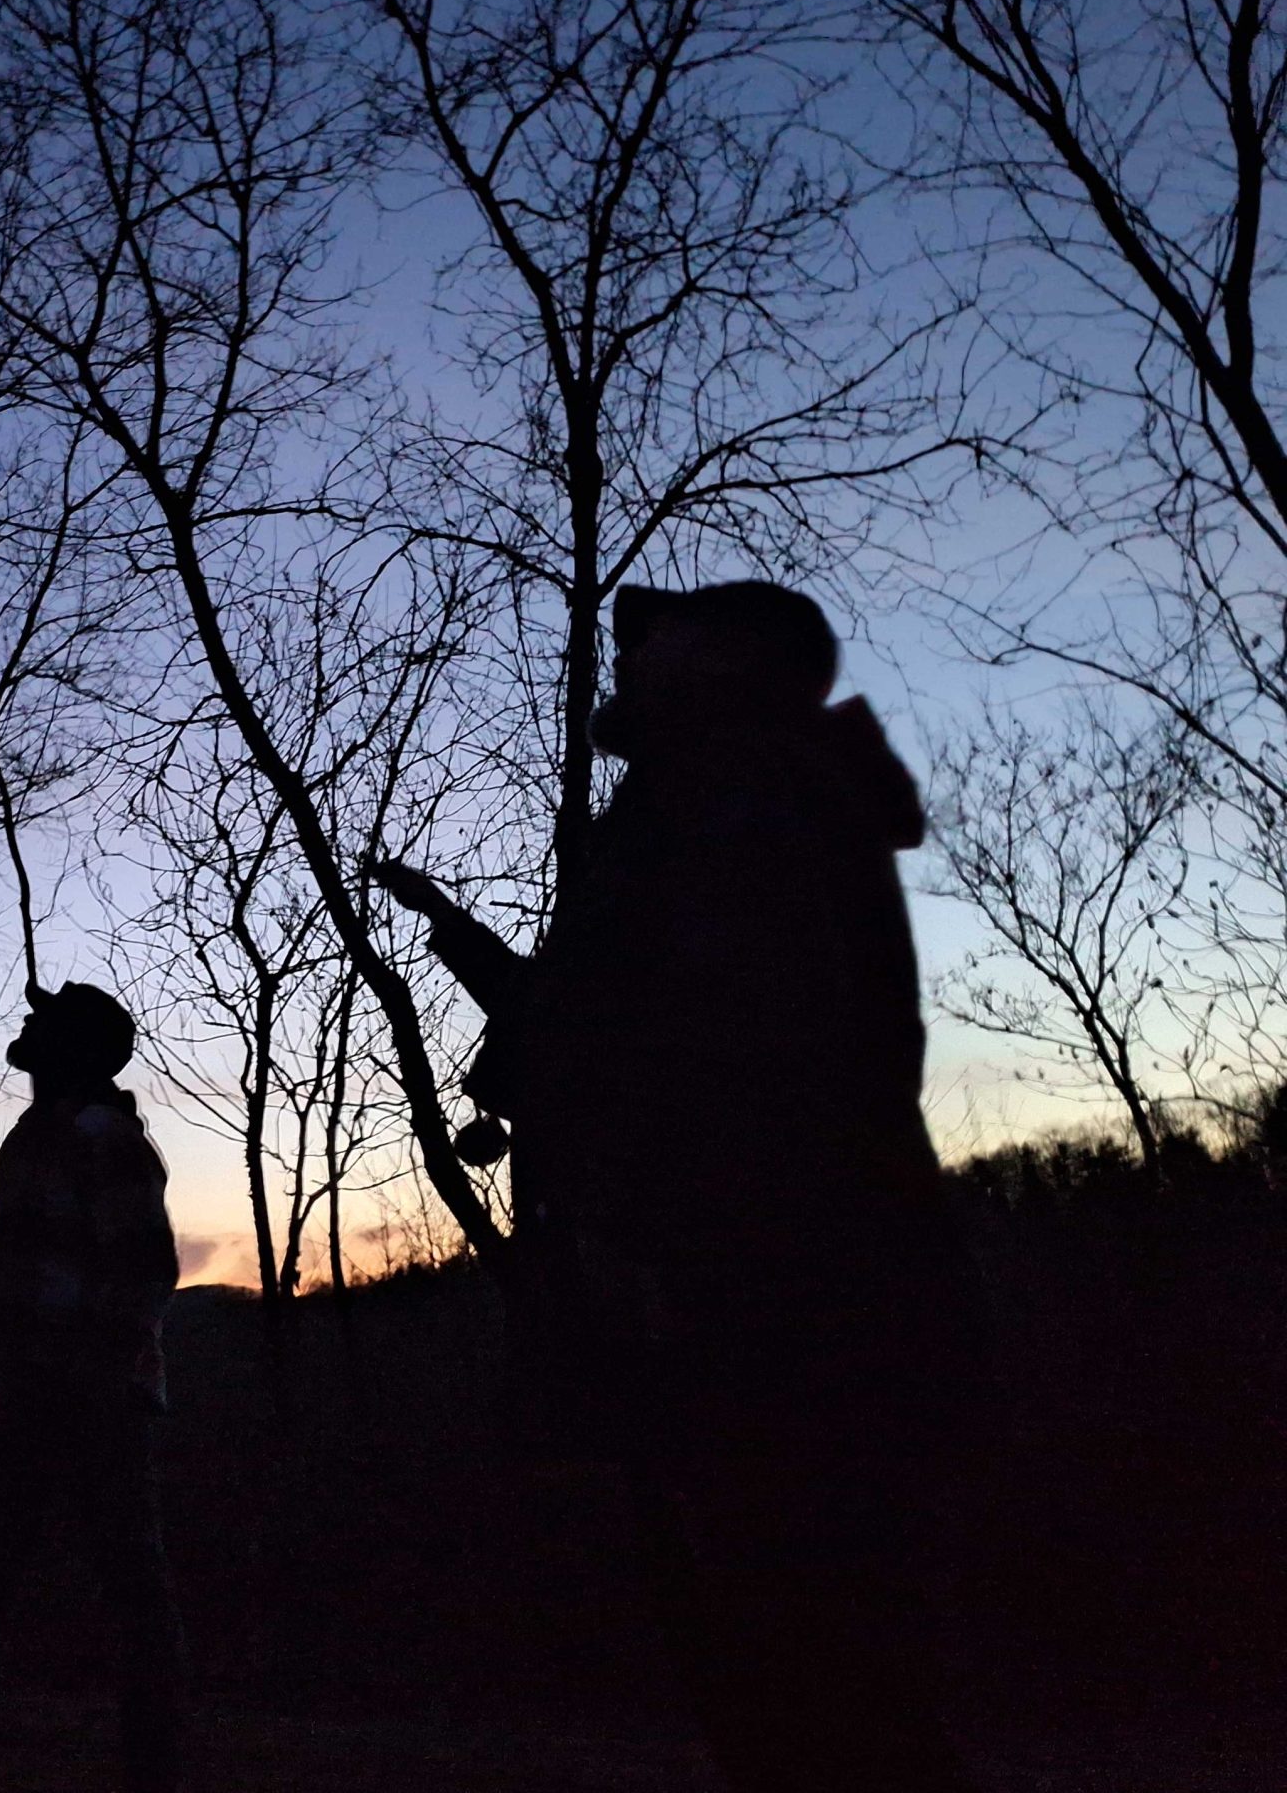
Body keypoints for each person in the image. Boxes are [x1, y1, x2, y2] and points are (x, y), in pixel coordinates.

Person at [372, 581, 982, 1793]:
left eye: (667, 632)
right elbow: (602, 1031)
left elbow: (694, 1056)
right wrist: (450, 927)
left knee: (806, 1678)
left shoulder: (734, 809)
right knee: (801, 1672)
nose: (632, 641)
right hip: (770, 1295)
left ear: (733, 668)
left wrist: (646, 1237)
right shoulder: (725, 804)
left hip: (770, 1308)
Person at [0, 981, 184, 1793]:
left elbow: (143, 1275)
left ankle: (152, 1768)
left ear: (75, 1046)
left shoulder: (104, 1139)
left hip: (86, 1401)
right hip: (27, 1396)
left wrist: (90, 1383)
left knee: (124, 1590)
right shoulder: (39, 1131)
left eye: (46, 1019)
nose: (28, 1023)